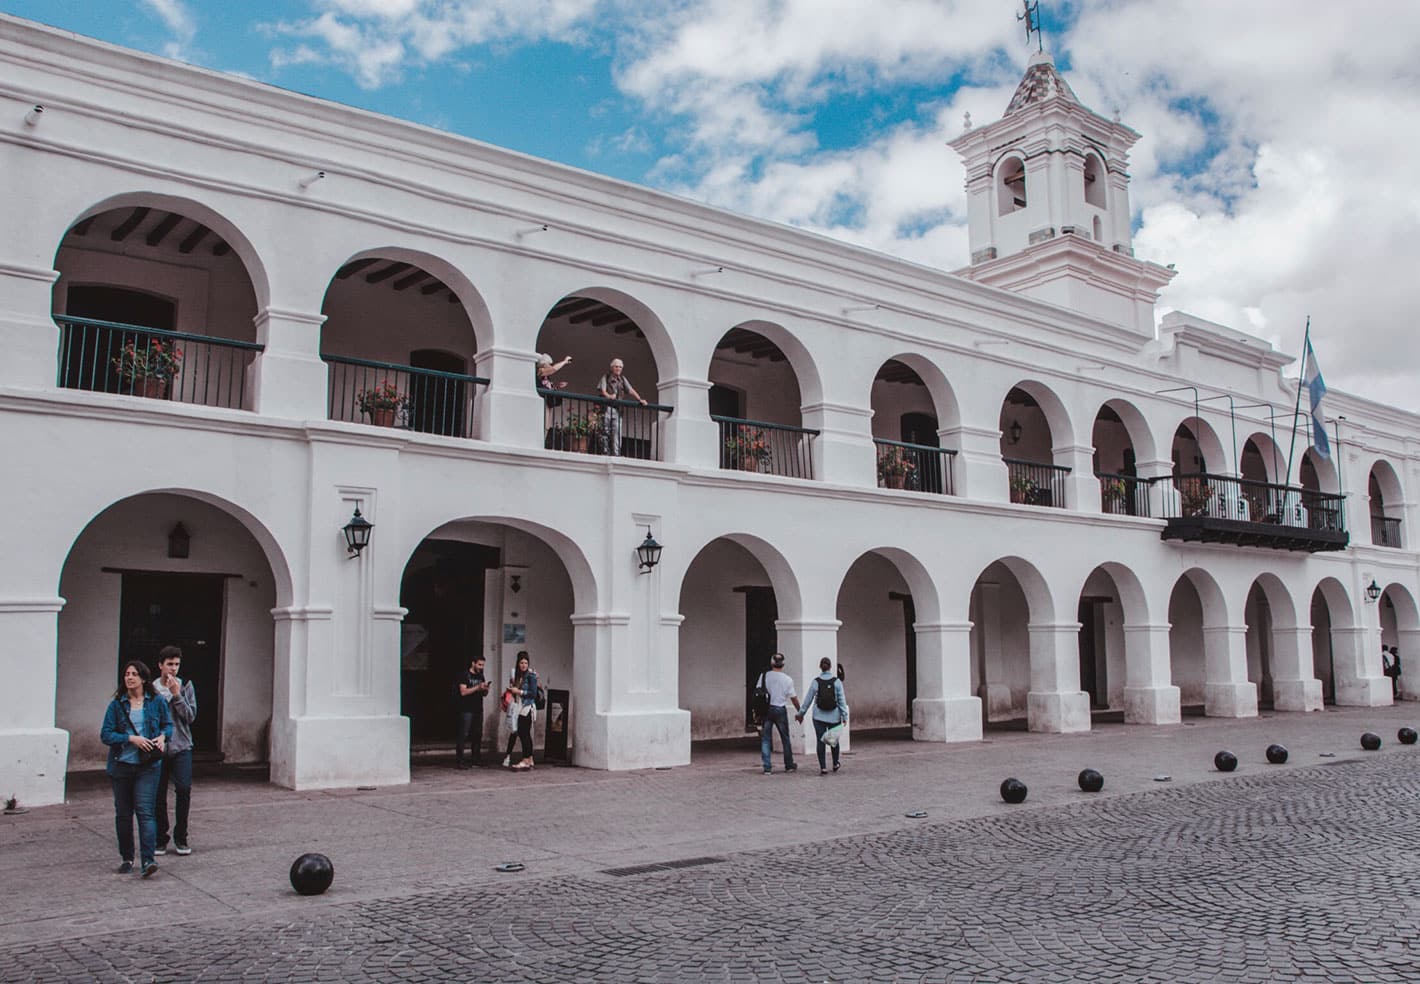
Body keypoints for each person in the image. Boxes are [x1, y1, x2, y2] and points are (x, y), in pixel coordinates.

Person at [100, 660, 173, 877]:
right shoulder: (116, 705)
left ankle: (148, 860)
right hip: (122, 765)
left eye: (134, 674)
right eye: (126, 674)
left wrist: (162, 737)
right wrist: (131, 738)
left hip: (147, 766)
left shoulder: (156, 702)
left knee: (145, 811)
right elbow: (106, 734)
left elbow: (167, 725)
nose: (129, 677)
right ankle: (127, 857)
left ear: (143, 678)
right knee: (123, 814)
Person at [152, 645, 195, 857]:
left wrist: (177, 695)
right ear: (160, 665)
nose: (173, 669)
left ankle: (181, 836)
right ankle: (161, 837)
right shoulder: (152, 689)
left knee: (184, 789)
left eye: (177, 664)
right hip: (158, 747)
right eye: (170, 664)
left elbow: (190, 717)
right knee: (158, 794)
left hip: (181, 746)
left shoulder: (185, 686)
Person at [797, 657, 848, 775]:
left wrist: (801, 714)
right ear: (830, 667)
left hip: (818, 716)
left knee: (820, 742)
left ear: (820, 667)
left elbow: (808, 700)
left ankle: (823, 767)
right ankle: (835, 763)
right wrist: (844, 716)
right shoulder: (837, 682)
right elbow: (841, 700)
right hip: (834, 716)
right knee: (833, 741)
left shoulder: (816, 682)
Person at [757, 653, 800, 775]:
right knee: (785, 738)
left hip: (767, 709)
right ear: (783, 664)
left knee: (766, 739)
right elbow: (794, 698)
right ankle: (789, 765)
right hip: (780, 708)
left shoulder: (764, 676)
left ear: (772, 663)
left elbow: (758, 692)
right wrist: (800, 711)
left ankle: (767, 767)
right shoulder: (787, 679)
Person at [596, 358, 647, 456]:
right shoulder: (606, 377)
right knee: (605, 430)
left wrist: (640, 399)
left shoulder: (623, 379)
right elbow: (602, 390)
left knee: (617, 432)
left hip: (618, 409)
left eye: (620, 367)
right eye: (616, 366)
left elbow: (631, 390)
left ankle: (616, 453)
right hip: (607, 407)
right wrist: (609, 396)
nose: (618, 368)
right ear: (612, 367)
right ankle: (605, 451)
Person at [500, 651, 539, 771]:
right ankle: (529, 759)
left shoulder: (531, 676)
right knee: (524, 733)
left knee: (524, 733)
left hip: (527, 707)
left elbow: (533, 694)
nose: (523, 665)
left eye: (526, 663)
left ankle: (526, 759)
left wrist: (519, 692)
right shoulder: (517, 676)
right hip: (519, 706)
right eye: (521, 662)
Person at [455, 655, 491, 768]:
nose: (481, 667)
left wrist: (485, 689)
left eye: (483, 665)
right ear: (473, 663)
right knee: (463, 734)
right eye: (479, 664)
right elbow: (463, 692)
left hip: (477, 708)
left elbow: (483, 694)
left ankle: (476, 758)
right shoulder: (465, 675)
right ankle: (460, 760)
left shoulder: (481, 676)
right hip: (466, 708)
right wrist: (477, 688)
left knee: (477, 734)